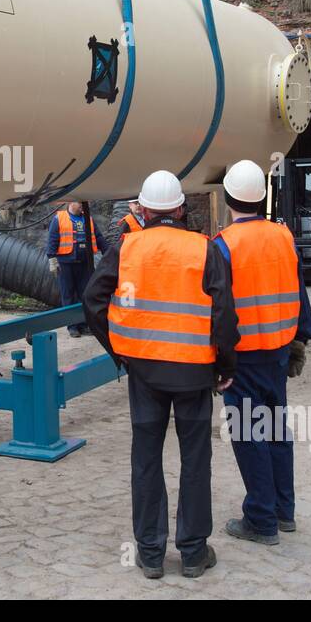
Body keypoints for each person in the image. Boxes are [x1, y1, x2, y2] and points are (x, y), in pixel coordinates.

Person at [82, 171, 239, 580]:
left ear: (145, 210)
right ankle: (192, 552)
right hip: (194, 373)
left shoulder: (128, 247)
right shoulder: (205, 250)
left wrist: (119, 350)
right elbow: (223, 316)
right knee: (195, 460)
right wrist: (225, 367)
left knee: (146, 460)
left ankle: (150, 554)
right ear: (181, 209)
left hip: (145, 372)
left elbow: (92, 299)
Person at [214, 160, 311, 547]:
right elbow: (298, 289)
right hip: (276, 353)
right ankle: (283, 511)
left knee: (248, 434)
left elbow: (220, 311)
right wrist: (300, 338)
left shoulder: (222, 245)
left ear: (227, 198)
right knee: (275, 430)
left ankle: (260, 519)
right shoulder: (283, 237)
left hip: (243, 359)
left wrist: (217, 360)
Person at [45, 199, 102, 337]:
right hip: (66, 264)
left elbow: (99, 238)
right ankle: (72, 326)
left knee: (85, 294)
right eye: (79, 202)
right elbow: (52, 240)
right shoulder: (59, 218)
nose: (82, 205)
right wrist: (52, 260)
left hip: (84, 264)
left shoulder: (88, 219)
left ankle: (83, 324)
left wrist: (109, 253)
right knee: (68, 295)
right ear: (71, 203)